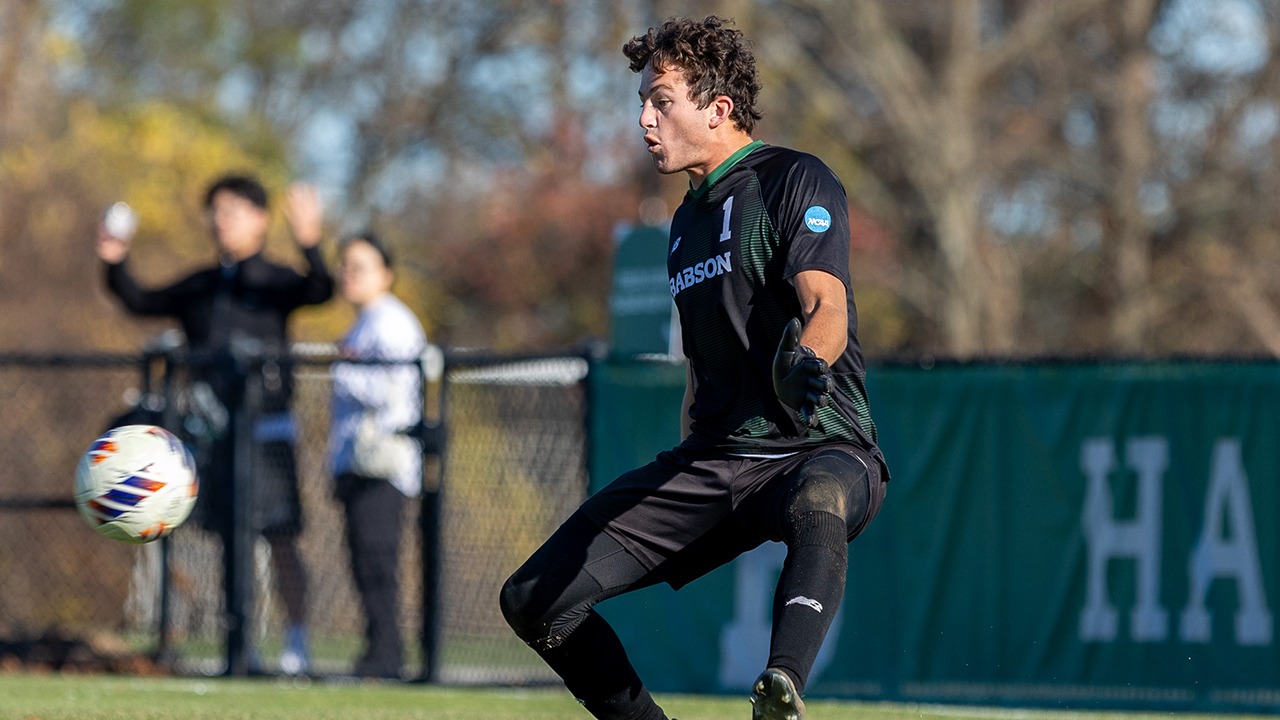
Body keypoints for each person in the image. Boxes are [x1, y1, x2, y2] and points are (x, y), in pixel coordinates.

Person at [500, 16, 890, 720]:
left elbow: (827, 304)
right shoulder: (684, 223)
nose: (645, 120)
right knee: (533, 599)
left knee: (818, 498)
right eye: (642, 104)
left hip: (820, 447)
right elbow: (701, 365)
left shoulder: (791, 179)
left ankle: (782, 686)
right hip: (717, 459)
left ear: (719, 111)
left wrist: (806, 358)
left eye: (662, 101)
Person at [96, 175, 334, 675]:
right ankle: (235, 645)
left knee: (280, 536)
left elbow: (319, 289)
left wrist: (310, 242)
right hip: (215, 437)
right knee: (229, 538)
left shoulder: (272, 281)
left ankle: (296, 646)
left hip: (267, 431)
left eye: (232, 211)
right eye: (216, 212)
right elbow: (140, 299)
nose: (220, 221)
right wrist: (113, 258)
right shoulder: (203, 286)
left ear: (260, 219)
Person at [328, 232, 425, 679]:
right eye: (345, 265)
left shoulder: (392, 322)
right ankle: (376, 651)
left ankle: (387, 657)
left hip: (384, 464)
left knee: (378, 562)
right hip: (357, 463)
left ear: (385, 275)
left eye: (360, 266)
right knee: (362, 562)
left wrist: (347, 368)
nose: (349, 274)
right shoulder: (362, 322)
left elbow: (395, 388)